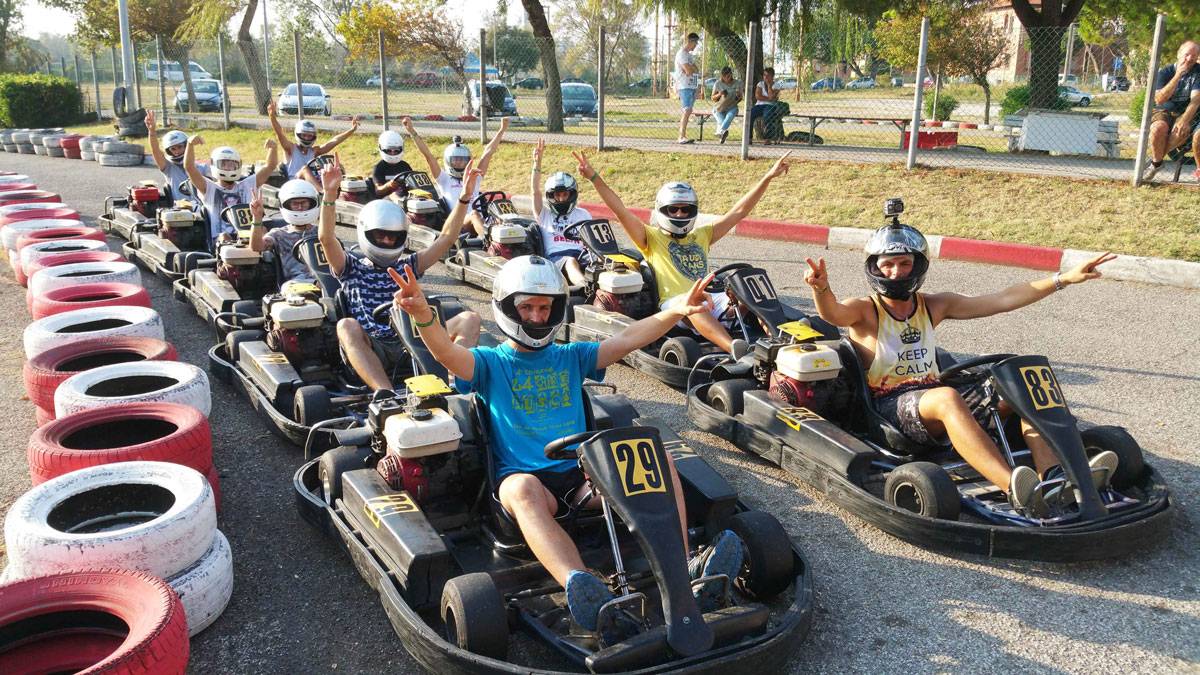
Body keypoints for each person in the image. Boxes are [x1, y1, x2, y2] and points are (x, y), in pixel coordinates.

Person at [390, 254, 745, 632]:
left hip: (582, 478)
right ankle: (583, 587)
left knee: (654, 460)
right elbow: (445, 352)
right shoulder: (489, 363)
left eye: (545, 307)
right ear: (508, 307)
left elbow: (627, 338)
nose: (538, 317)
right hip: (527, 484)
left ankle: (685, 565)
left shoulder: (572, 356)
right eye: (527, 307)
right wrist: (423, 314)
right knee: (523, 488)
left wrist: (677, 311)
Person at [802, 218, 1120, 516]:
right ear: (875, 268)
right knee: (947, 397)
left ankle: (1053, 476)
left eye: (903, 263)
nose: (896, 272)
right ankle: (1015, 488)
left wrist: (1062, 278)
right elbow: (834, 314)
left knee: (1020, 384)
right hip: (889, 409)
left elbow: (1003, 299)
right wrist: (821, 289)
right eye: (887, 264)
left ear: (918, 265)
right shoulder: (865, 310)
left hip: (931, 397)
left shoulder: (935, 305)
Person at [572, 150, 791, 355]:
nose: (679, 213)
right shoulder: (650, 238)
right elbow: (619, 209)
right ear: (662, 210)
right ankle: (734, 348)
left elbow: (740, 211)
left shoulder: (703, 235)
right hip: (674, 305)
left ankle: (779, 339)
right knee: (693, 305)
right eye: (673, 209)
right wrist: (593, 177)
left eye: (685, 209)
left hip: (709, 297)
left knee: (751, 293)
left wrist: (768, 177)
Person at [318, 154, 481, 392]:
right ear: (366, 233)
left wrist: (464, 198)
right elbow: (326, 238)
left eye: (393, 236)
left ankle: (456, 381)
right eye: (380, 235)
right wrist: (330, 194)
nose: (386, 240)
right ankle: (384, 393)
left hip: (415, 340)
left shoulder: (409, 265)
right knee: (346, 325)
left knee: (470, 319)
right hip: (375, 345)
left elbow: (446, 239)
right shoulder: (350, 266)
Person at [403, 115, 509, 236]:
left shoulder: (474, 178)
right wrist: (412, 131)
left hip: (480, 221)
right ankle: (488, 240)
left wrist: (502, 129)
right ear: (448, 161)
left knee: (503, 219)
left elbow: (488, 153)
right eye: (455, 160)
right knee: (474, 214)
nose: (459, 163)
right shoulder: (444, 179)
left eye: (462, 160)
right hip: (457, 225)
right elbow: (428, 155)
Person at [183, 136, 279, 248]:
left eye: (232, 164)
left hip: (249, 237)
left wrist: (273, 148)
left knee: (263, 230)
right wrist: (190, 145)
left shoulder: (247, 185)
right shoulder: (209, 188)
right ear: (215, 165)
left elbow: (270, 166)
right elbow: (189, 167)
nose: (229, 168)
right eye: (224, 164)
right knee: (225, 236)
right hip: (220, 241)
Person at [530, 139, 592, 286]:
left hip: (582, 256)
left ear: (572, 195)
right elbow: (535, 191)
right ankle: (585, 287)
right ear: (551, 196)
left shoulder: (583, 214)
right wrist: (537, 164)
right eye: (557, 195)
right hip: (556, 260)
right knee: (570, 262)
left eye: (565, 195)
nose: (561, 199)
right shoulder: (544, 214)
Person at [1142, 41, 1200, 182]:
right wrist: (1178, 75)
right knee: (1157, 129)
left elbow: (1196, 100)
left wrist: (1184, 120)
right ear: (1178, 54)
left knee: (1180, 130)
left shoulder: (1198, 71)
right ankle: (1157, 162)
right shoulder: (1165, 73)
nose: (1189, 59)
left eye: (1194, 55)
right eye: (1186, 54)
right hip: (1165, 110)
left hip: (1189, 113)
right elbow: (1160, 99)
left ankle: (1155, 163)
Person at [267, 101, 359, 184]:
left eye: (309, 135)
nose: (307, 138)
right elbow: (280, 133)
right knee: (305, 170)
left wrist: (351, 130)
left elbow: (334, 141)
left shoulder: (314, 151)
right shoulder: (290, 148)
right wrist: (272, 117)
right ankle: (322, 193)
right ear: (298, 134)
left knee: (336, 168)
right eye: (304, 135)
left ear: (314, 136)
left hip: (311, 185)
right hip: (294, 185)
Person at [248, 179, 317, 282]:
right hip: (296, 284)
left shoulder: (322, 233)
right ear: (286, 205)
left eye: (304, 203)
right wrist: (257, 218)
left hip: (325, 281)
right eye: (295, 204)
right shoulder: (279, 234)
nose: (300, 207)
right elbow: (256, 246)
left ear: (311, 204)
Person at [144, 110, 198, 202]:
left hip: (203, 208)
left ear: (186, 145)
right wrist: (152, 132)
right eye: (173, 149)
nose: (177, 151)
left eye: (179, 147)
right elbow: (156, 150)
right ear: (168, 151)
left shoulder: (201, 168)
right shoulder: (168, 168)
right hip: (181, 210)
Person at [371, 129, 415, 200]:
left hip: (405, 198)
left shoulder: (405, 166)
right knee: (394, 195)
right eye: (389, 150)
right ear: (381, 148)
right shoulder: (379, 167)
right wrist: (388, 185)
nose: (393, 153)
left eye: (396, 150)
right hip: (385, 203)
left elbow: (413, 185)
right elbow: (378, 190)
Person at [674, 32, 701, 145]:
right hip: (684, 86)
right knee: (687, 110)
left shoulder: (689, 55)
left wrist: (691, 69)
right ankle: (681, 136)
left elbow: (695, 69)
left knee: (689, 110)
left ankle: (683, 135)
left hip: (691, 85)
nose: (696, 46)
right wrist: (690, 69)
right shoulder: (681, 54)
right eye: (695, 43)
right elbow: (689, 71)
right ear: (691, 42)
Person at [750, 67, 787, 144]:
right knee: (750, 114)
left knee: (768, 115)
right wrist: (769, 98)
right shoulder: (760, 84)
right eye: (764, 75)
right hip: (759, 105)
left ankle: (768, 138)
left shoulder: (776, 85)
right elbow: (758, 96)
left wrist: (769, 86)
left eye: (768, 75)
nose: (765, 77)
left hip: (770, 106)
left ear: (772, 76)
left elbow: (772, 98)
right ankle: (749, 137)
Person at [710, 66, 742, 145]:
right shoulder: (718, 83)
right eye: (725, 77)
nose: (727, 78)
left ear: (731, 74)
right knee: (722, 121)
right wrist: (720, 94)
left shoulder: (737, 83)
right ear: (722, 76)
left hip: (732, 107)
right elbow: (713, 98)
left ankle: (720, 132)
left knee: (729, 117)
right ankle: (722, 132)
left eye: (729, 76)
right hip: (719, 108)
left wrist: (738, 96)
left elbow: (740, 99)